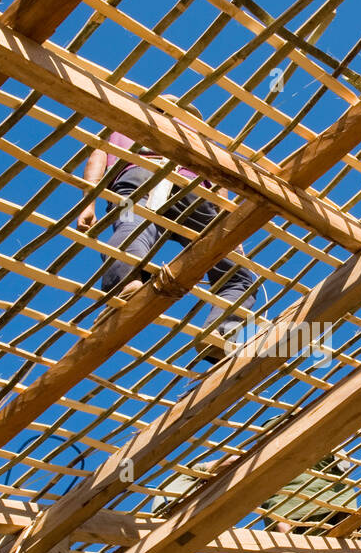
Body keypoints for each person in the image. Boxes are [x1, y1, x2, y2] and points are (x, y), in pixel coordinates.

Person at [78, 101, 259, 364]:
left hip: (140, 180)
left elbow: (98, 157)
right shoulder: (196, 138)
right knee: (237, 274)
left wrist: (89, 201)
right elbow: (220, 184)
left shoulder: (124, 126)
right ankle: (222, 331)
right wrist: (227, 230)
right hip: (183, 187)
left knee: (132, 226)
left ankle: (125, 285)